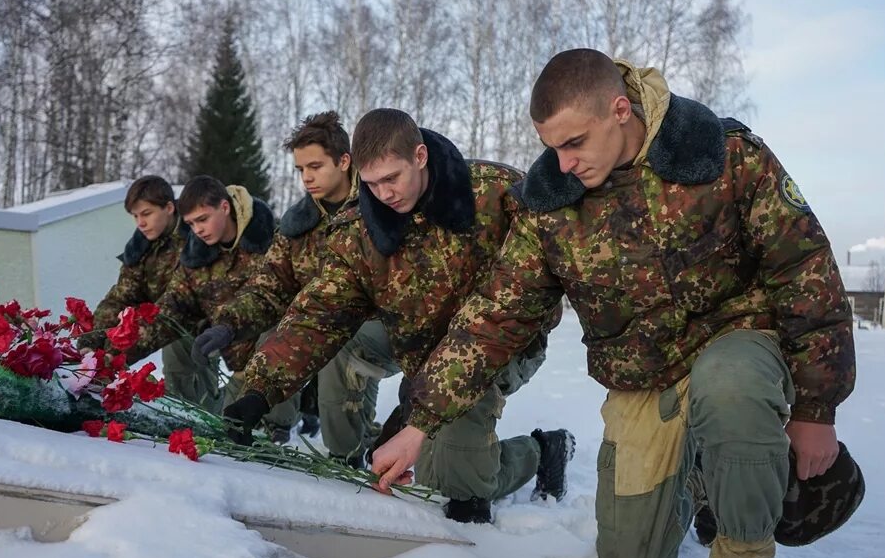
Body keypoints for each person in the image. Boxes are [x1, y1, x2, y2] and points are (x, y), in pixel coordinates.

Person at [371, 49, 858, 558]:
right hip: (644, 376)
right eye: (552, 147)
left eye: (574, 143)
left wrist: (816, 410)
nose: (562, 164)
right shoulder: (550, 205)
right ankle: (702, 475)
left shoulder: (725, 157)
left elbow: (805, 271)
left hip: (737, 342)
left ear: (620, 110)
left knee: (730, 381)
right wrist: (421, 423)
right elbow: (496, 315)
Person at [221, 108, 572, 524]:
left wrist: (421, 419)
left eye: (392, 178)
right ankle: (359, 442)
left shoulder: (496, 195)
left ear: (419, 156)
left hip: (502, 345)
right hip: (422, 351)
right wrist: (259, 389)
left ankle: (542, 450)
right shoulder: (359, 229)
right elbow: (318, 315)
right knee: (391, 445)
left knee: (452, 486)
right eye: (371, 184)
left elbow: (533, 294)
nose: (384, 194)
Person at [194, 111, 400, 467]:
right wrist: (227, 324)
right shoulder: (298, 226)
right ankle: (273, 427)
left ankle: (347, 457)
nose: (307, 177)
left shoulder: (383, 204)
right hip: (323, 327)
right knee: (275, 335)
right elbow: (269, 288)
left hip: (388, 328)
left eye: (315, 166)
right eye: (301, 169)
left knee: (345, 352)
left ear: (344, 161)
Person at [121, 175, 300, 441]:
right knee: (178, 336)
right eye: (191, 223)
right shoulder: (196, 256)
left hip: (284, 359)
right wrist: (114, 354)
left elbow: (286, 302)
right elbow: (173, 306)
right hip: (234, 354)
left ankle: (280, 428)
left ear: (224, 207)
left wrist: (228, 326)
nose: (198, 230)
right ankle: (186, 414)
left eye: (203, 219)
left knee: (277, 334)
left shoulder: (273, 240)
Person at [77, 176, 218, 407]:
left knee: (199, 386)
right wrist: (91, 343)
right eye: (135, 216)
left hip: (210, 324)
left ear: (169, 208)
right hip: (168, 325)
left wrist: (117, 355)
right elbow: (120, 298)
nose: (140, 223)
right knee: (182, 390)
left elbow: (178, 306)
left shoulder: (197, 238)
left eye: (146, 213)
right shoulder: (140, 250)